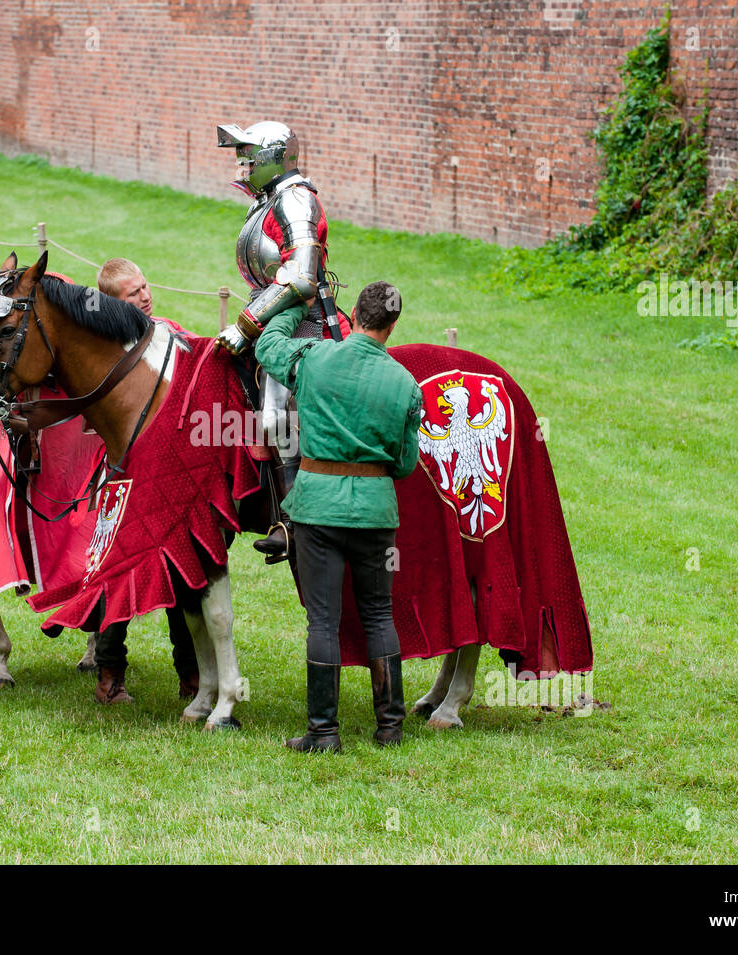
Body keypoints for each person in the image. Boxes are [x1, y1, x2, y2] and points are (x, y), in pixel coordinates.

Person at [255, 282, 422, 752]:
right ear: (393, 326)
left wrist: (294, 305)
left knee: (323, 622)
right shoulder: (406, 385)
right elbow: (406, 465)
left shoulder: (313, 357)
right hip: (376, 516)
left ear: (353, 312)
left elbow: (267, 344)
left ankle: (323, 732)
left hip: (316, 511)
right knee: (378, 614)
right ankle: (390, 726)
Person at [214, 120, 336, 564]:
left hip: (301, 321)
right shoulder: (269, 201)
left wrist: (247, 324)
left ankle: (293, 520)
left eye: (249, 155)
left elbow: (302, 277)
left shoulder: (295, 199)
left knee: (273, 409)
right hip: (270, 316)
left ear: (275, 156)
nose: (243, 164)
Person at [85, 258, 198, 703]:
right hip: (121, 475)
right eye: (133, 294)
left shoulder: (170, 331)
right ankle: (109, 677)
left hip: (167, 475)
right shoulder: (105, 350)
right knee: (115, 575)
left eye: (145, 286)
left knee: (178, 574)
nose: (145, 296)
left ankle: (190, 678)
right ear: (113, 303)